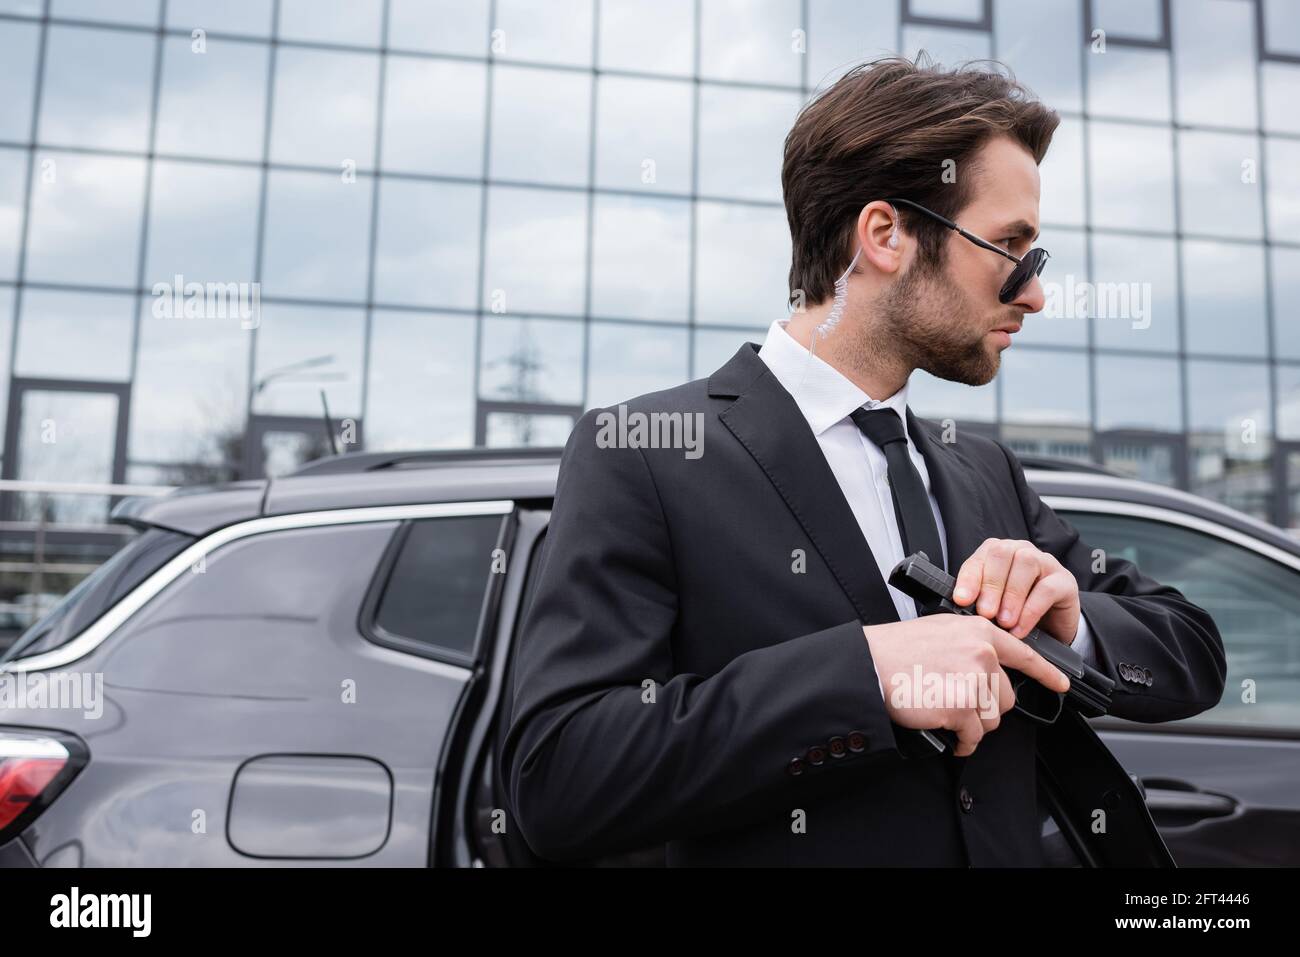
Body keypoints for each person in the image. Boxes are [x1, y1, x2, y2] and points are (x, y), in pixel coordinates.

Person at [501, 56, 1226, 867]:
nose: (1034, 294)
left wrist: (1076, 624)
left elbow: (1190, 649)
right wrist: (865, 674)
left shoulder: (983, 471)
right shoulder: (645, 455)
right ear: (885, 235)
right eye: (1012, 248)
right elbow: (558, 778)